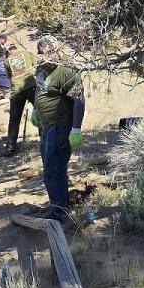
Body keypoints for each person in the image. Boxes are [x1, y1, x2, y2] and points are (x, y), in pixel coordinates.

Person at [30, 36, 84, 223]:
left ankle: (61, 213)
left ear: (58, 51)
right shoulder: (42, 67)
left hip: (60, 127)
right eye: (43, 54)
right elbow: (39, 89)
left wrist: (76, 129)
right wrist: (36, 110)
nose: (46, 58)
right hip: (46, 127)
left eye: (50, 53)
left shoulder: (67, 71)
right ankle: (57, 206)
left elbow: (79, 100)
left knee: (55, 170)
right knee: (48, 170)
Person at [3, 43, 37, 156]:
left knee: (14, 120)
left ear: (8, 51)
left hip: (17, 91)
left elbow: (9, 77)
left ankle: (10, 148)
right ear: (16, 48)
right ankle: (45, 138)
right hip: (31, 86)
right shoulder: (26, 53)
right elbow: (37, 64)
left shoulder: (7, 61)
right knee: (41, 112)